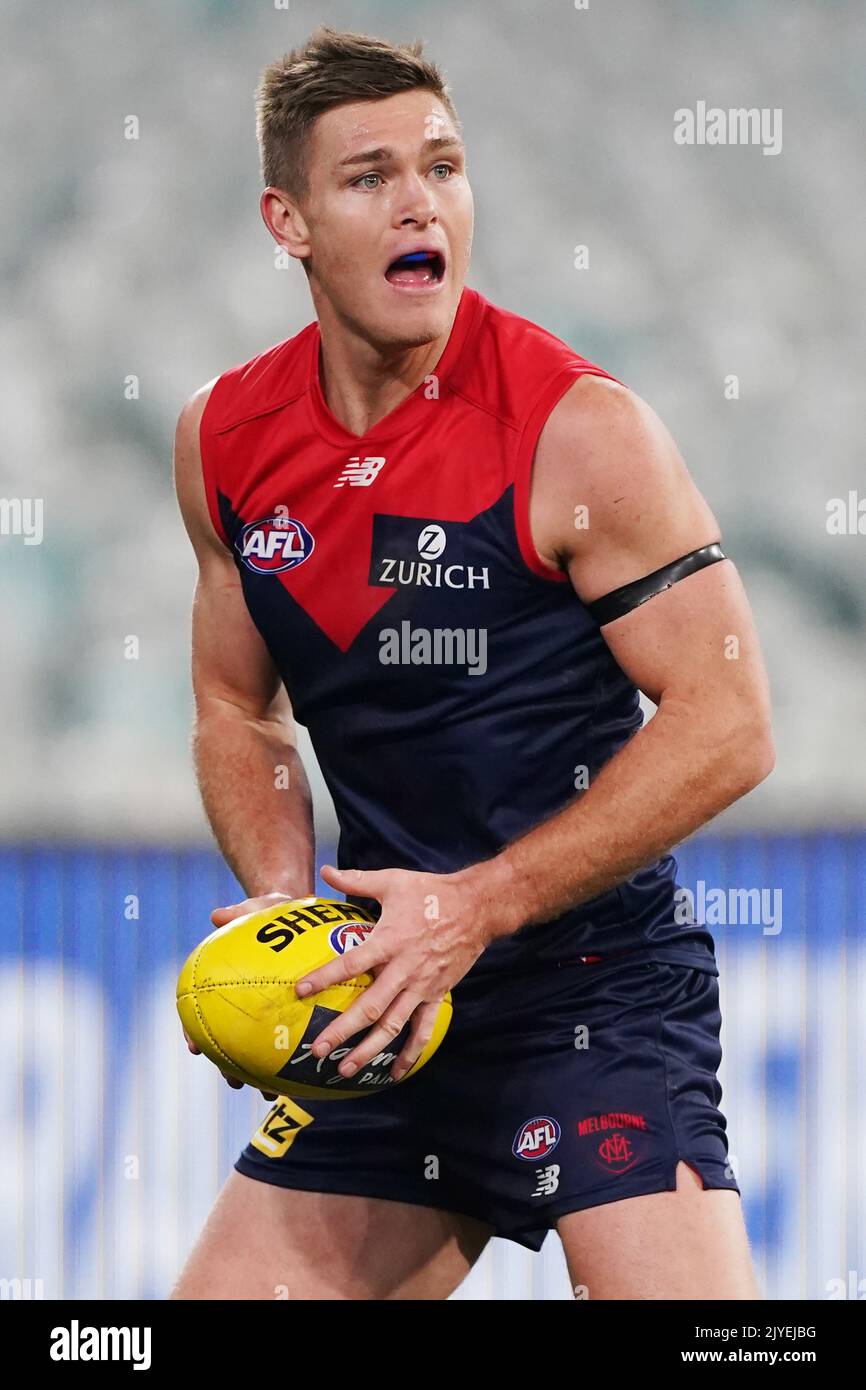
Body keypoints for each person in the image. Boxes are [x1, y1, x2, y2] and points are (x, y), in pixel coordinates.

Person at [171, 26, 773, 1300]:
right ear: (288, 219)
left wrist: (479, 904)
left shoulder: (579, 429)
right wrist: (286, 902)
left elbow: (727, 720)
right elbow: (235, 704)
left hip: (592, 992)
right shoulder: (223, 438)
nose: (419, 201)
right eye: (370, 175)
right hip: (383, 999)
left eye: (442, 166)